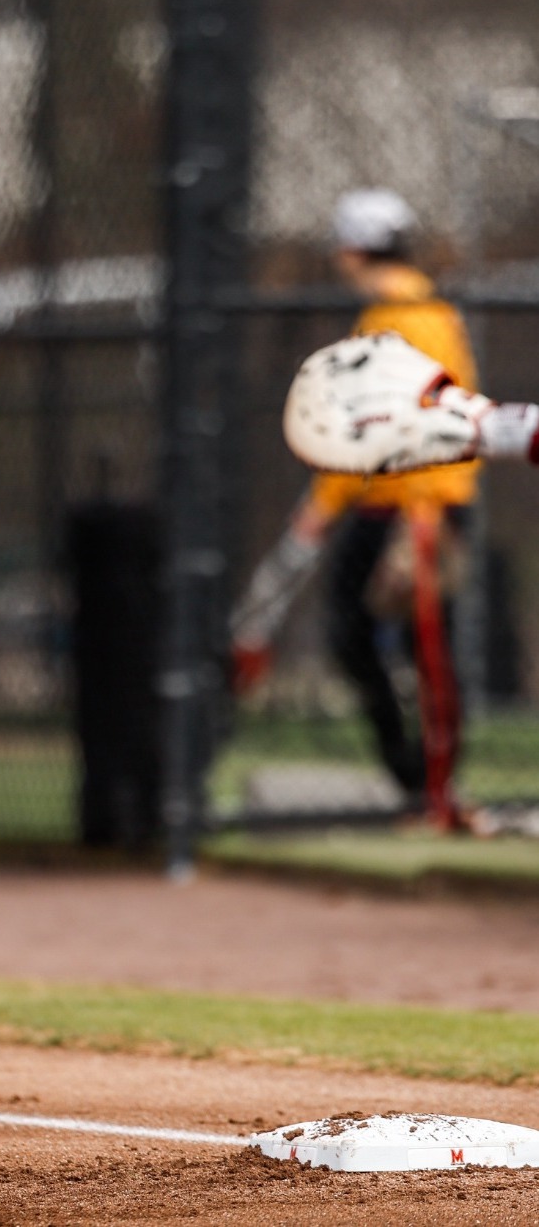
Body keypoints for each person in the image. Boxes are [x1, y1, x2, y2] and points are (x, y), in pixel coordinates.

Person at [231, 189, 481, 825]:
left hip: (414, 506)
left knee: (423, 647)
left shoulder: (401, 315)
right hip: (397, 502)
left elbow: (378, 425)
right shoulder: (414, 311)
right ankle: (420, 778)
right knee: (391, 642)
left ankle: (433, 786)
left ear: (352, 249)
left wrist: (327, 502)